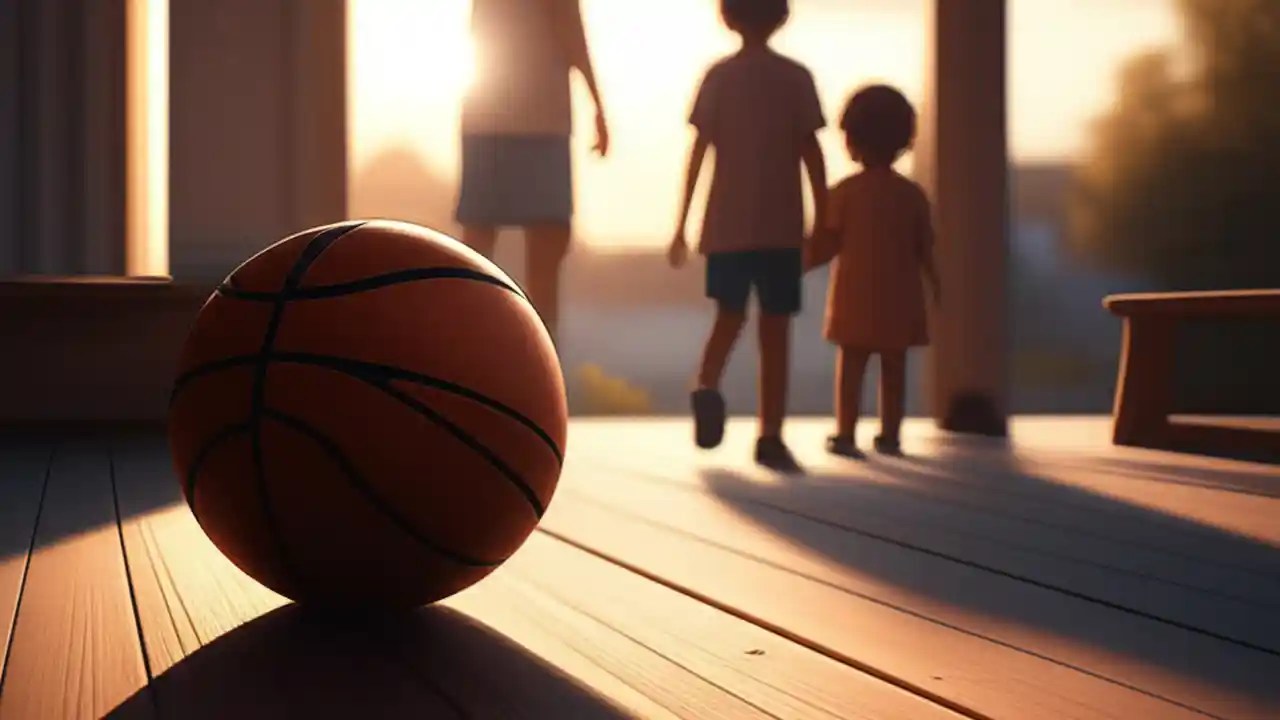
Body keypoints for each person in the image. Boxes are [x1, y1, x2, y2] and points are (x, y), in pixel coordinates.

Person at [668, 0, 828, 471]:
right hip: (781, 226)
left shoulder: (718, 76)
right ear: (779, 14)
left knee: (729, 316)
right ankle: (770, 434)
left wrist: (681, 224)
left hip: (726, 224)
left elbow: (698, 153)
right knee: (775, 330)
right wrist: (823, 218)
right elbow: (811, 151)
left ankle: (706, 384)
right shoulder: (795, 78)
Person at [456, 0, 609, 341]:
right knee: (544, 250)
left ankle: (468, 347)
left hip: (488, 112)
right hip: (539, 119)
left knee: (477, 248)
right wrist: (599, 107)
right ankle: (540, 355)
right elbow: (572, 36)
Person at [806, 84, 942, 459]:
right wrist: (937, 287)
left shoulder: (845, 193)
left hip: (855, 297)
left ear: (852, 139)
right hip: (900, 299)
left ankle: (846, 433)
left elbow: (827, 243)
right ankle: (890, 434)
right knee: (893, 368)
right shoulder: (911, 195)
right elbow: (925, 249)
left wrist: (797, 264)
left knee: (851, 367)